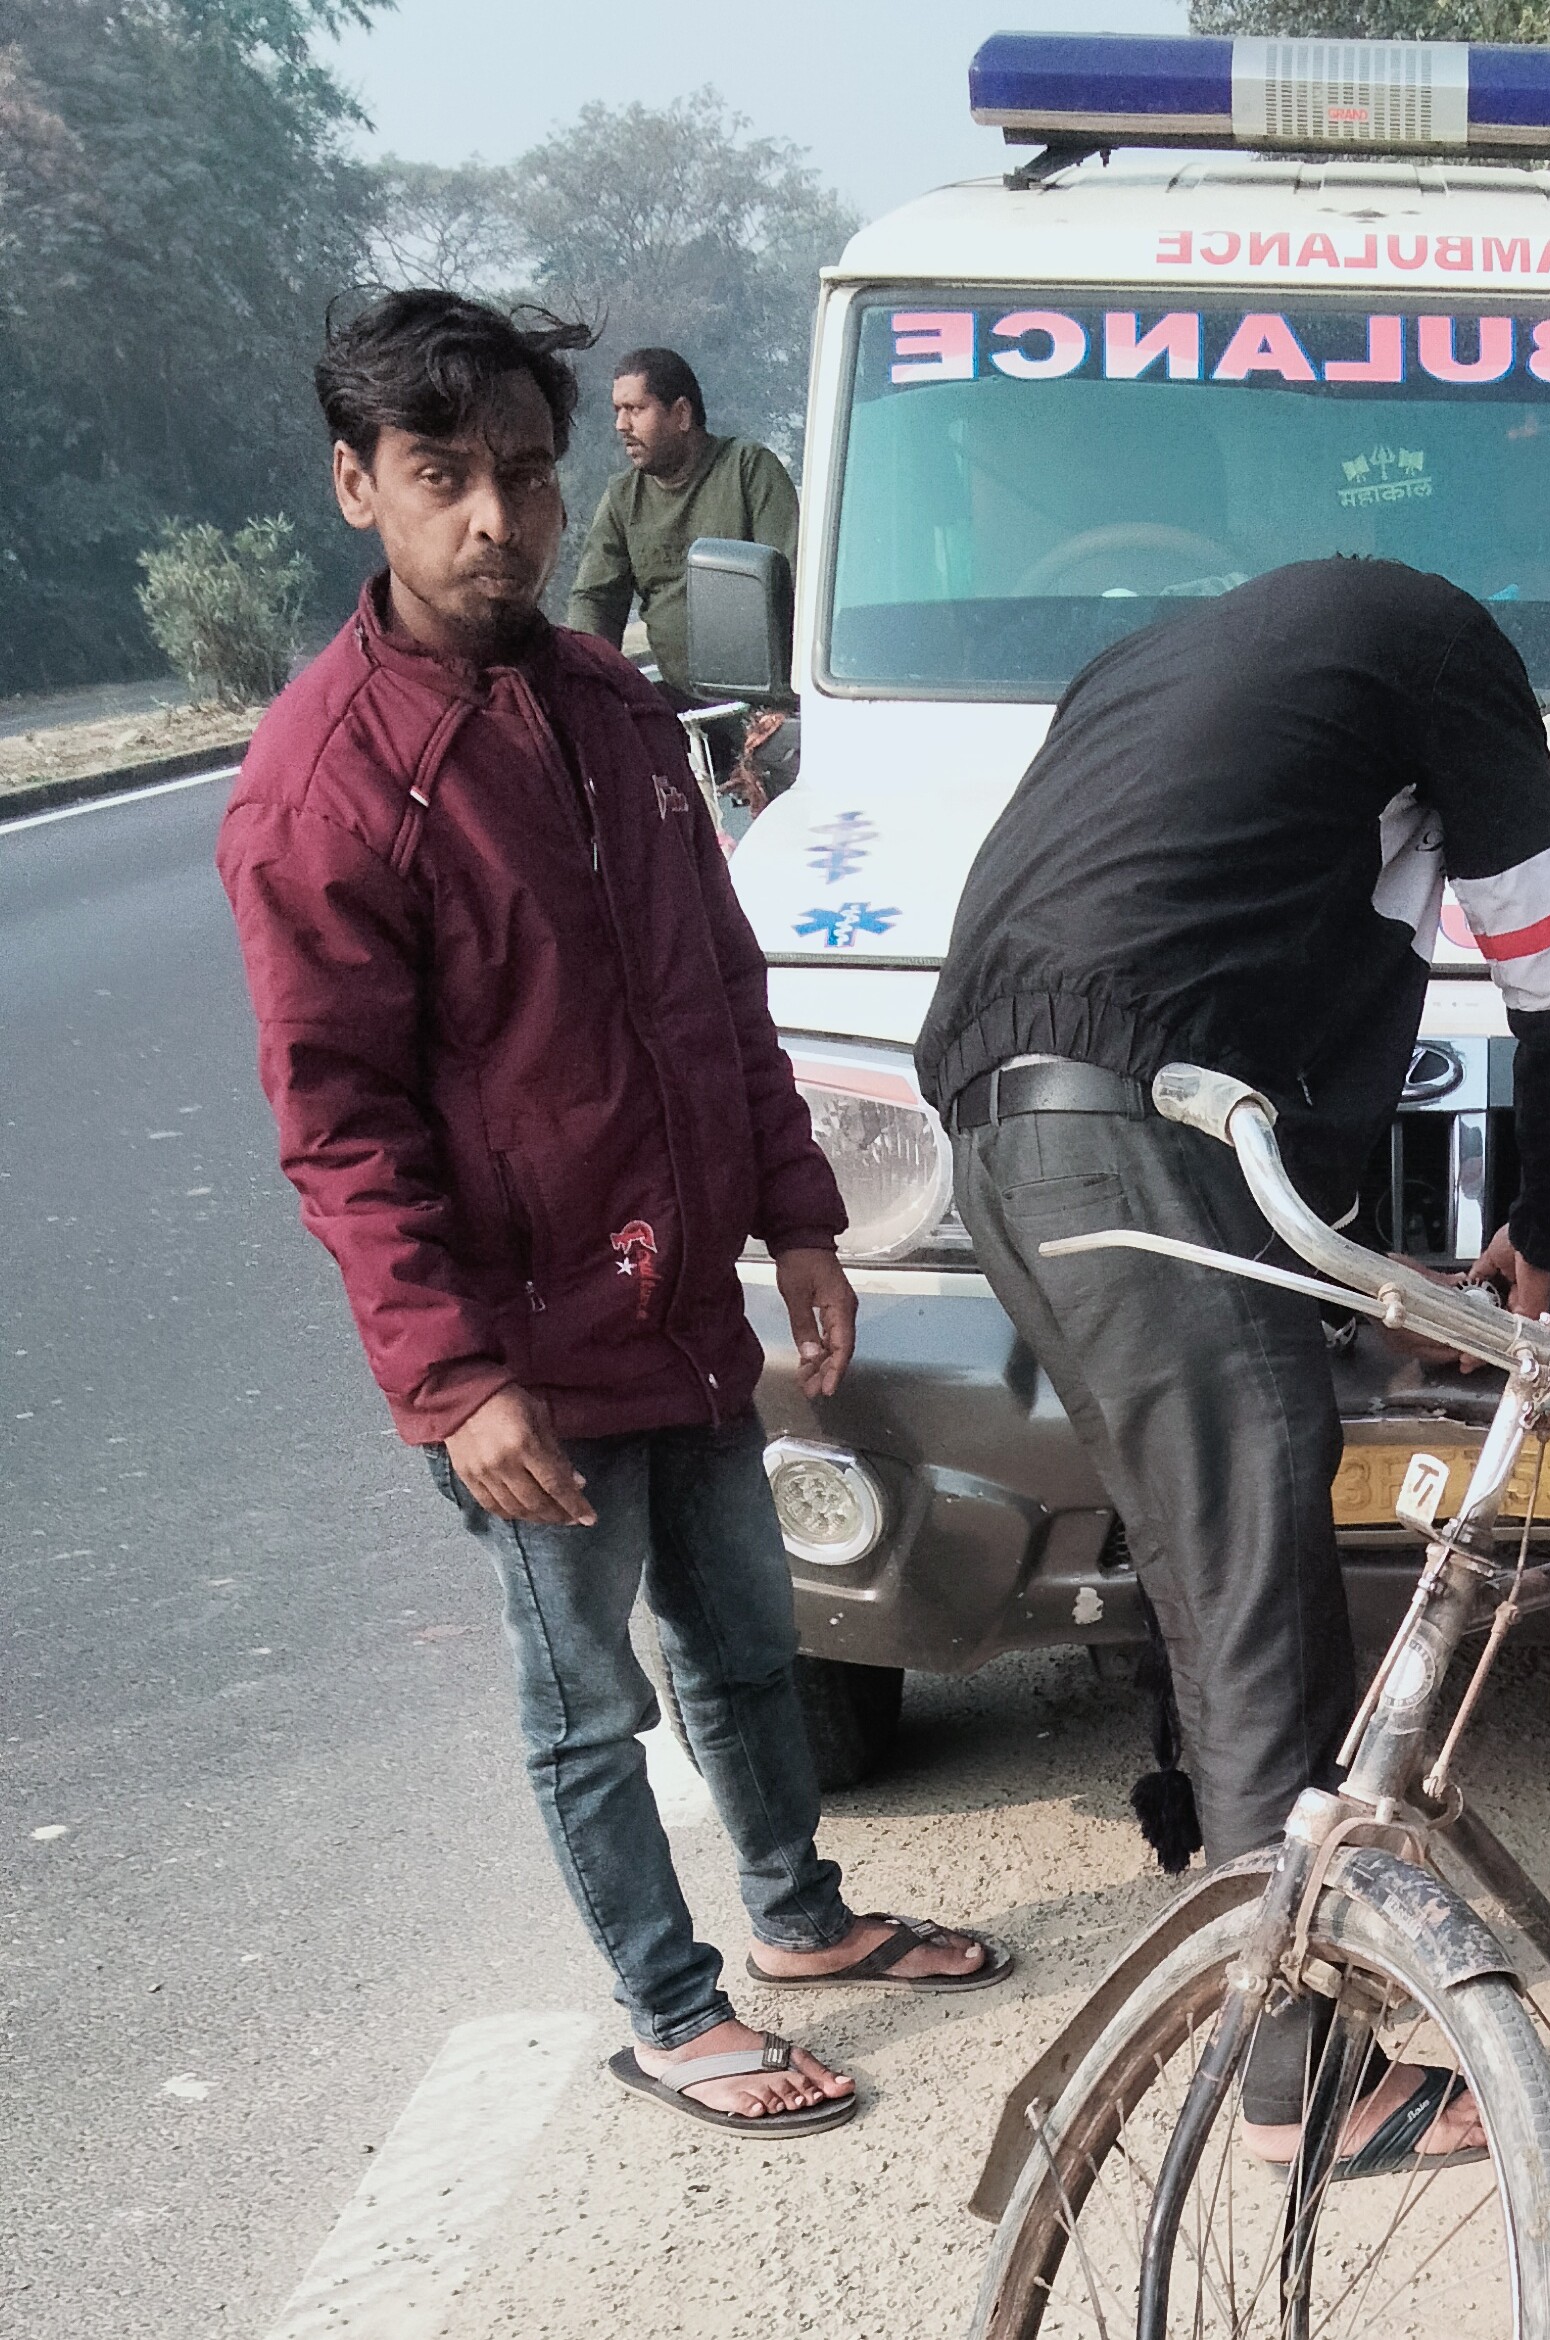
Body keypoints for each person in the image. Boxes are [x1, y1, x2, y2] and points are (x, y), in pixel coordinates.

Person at [219, 290, 1004, 2138]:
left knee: (747, 1644)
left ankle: (799, 1922)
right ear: (358, 485)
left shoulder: (615, 707)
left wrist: (800, 1221)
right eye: (442, 480)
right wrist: (451, 1379)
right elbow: (338, 1129)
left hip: (680, 1317)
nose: (498, 521)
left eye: (524, 477)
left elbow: (720, 986)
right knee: (591, 1707)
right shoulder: (323, 787)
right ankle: (671, 2007)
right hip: (523, 1363)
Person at [916, 555, 1550, 2169]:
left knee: (1197, 1548)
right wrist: (1548, 1235)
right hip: (1131, 1133)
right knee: (1257, 1577)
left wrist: (1347, 1272)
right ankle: (1307, 2087)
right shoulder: (1450, 644)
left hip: (1002, 1136)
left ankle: (1237, 1889)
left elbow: (1269, 984)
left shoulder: (1172, 663)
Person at [565, 345, 799, 700]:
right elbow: (594, 600)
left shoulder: (747, 469)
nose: (621, 425)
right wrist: (592, 689)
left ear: (681, 414)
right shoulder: (622, 498)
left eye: (635, 409)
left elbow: (794, 577)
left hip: (766, 702)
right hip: (680, 705)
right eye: (617, 411)